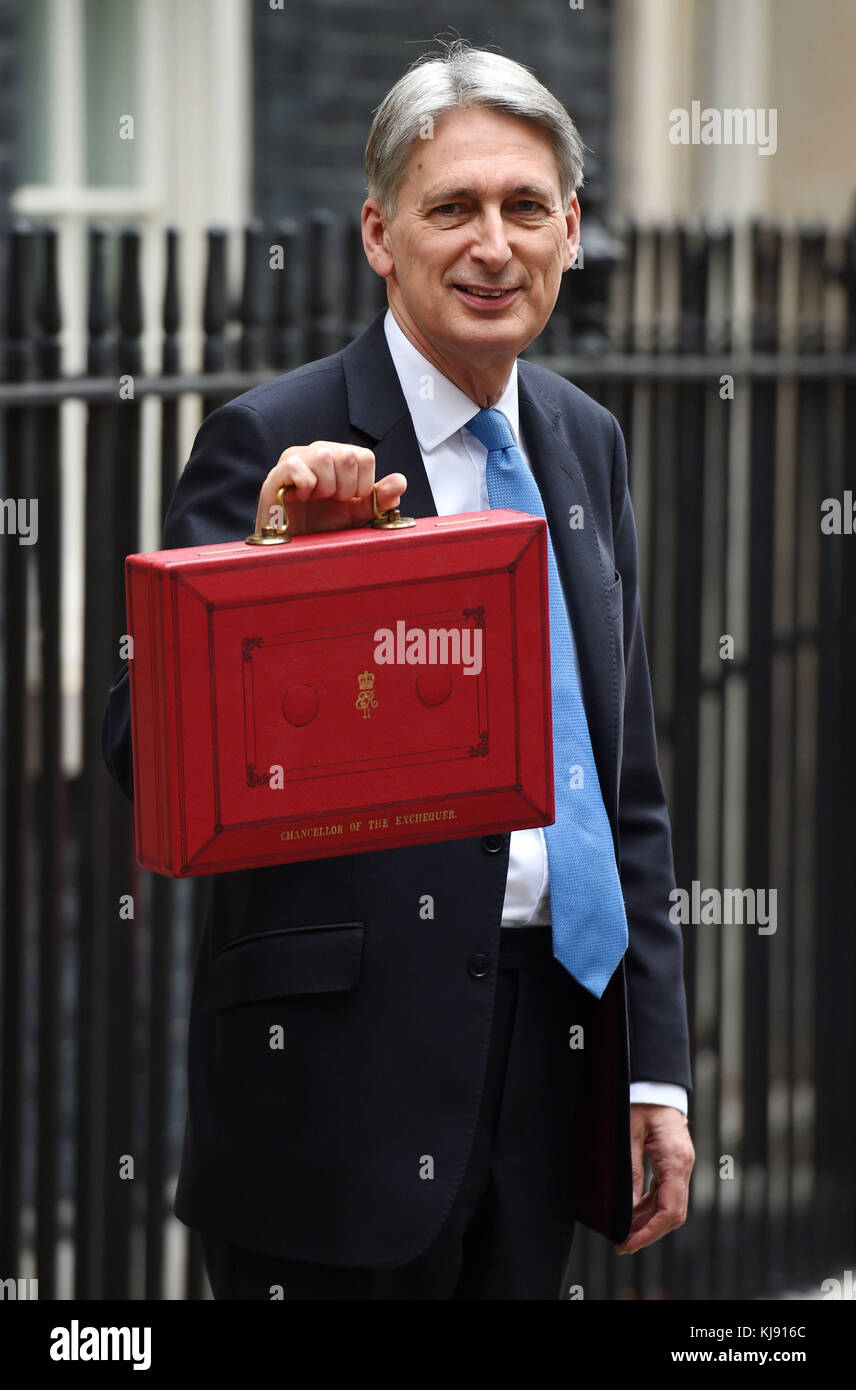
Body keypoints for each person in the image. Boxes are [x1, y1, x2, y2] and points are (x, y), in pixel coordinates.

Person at [102, 41, 694, 1300]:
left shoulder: (587, 441)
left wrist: (650, 1067)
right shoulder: (271, 440)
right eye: (453, 208)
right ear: (379, 234)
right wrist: (273, 576)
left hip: (551, 1059)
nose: (494, 244)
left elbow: (619, 779)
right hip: (335, 1098)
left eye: (526, 208)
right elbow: (143, 760)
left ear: (571, 232)